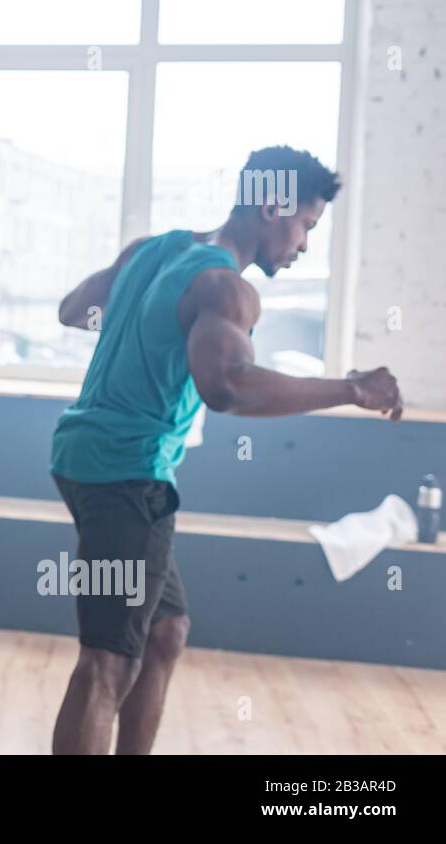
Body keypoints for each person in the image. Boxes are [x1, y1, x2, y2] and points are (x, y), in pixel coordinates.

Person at [49, 145, 403, 755]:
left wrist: (151, 328)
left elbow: (75, 311)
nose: (305, 246)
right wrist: (350, 389)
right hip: (127, 475)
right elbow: (229, 386)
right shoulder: (224, 286)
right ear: (273, 205)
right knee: (107, 664)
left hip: (83, 456)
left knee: (165, 631)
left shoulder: (153, 250)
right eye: (306, 226)